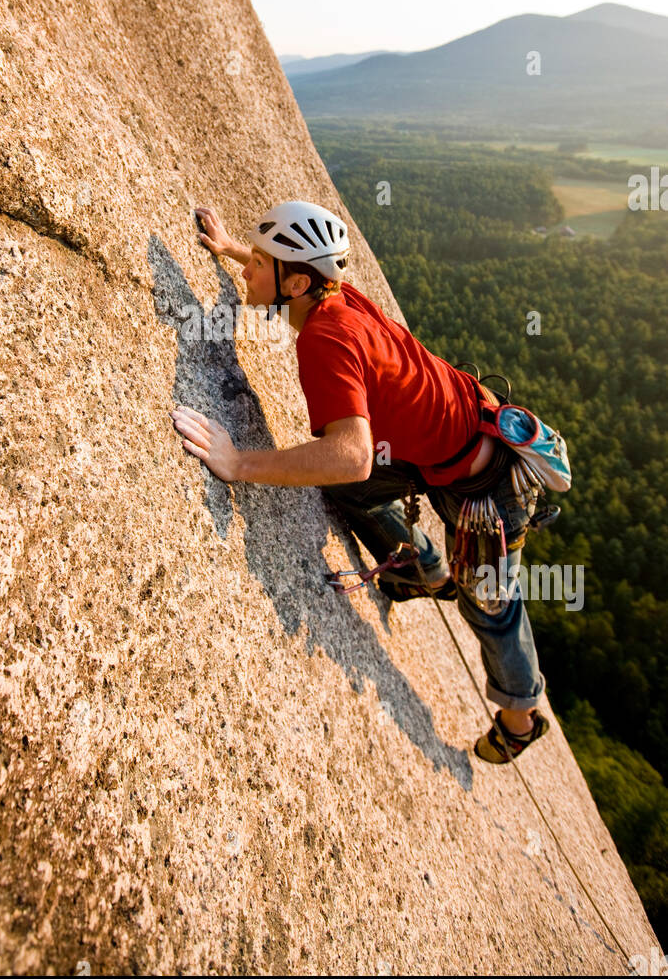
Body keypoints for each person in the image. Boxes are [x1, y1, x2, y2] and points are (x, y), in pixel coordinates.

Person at [170, 200, 549, 764]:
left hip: (487, 490)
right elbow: (352, 464)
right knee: (343, 488)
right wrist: (231, 251)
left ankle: (521, 717)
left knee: (490, 604)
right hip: (444, 452)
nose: (249, 269)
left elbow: (350, 455)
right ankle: (426, 570)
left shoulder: (323, 339)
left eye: (259, 262)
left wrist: (238, 463)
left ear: (297, 282)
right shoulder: (333, 294)